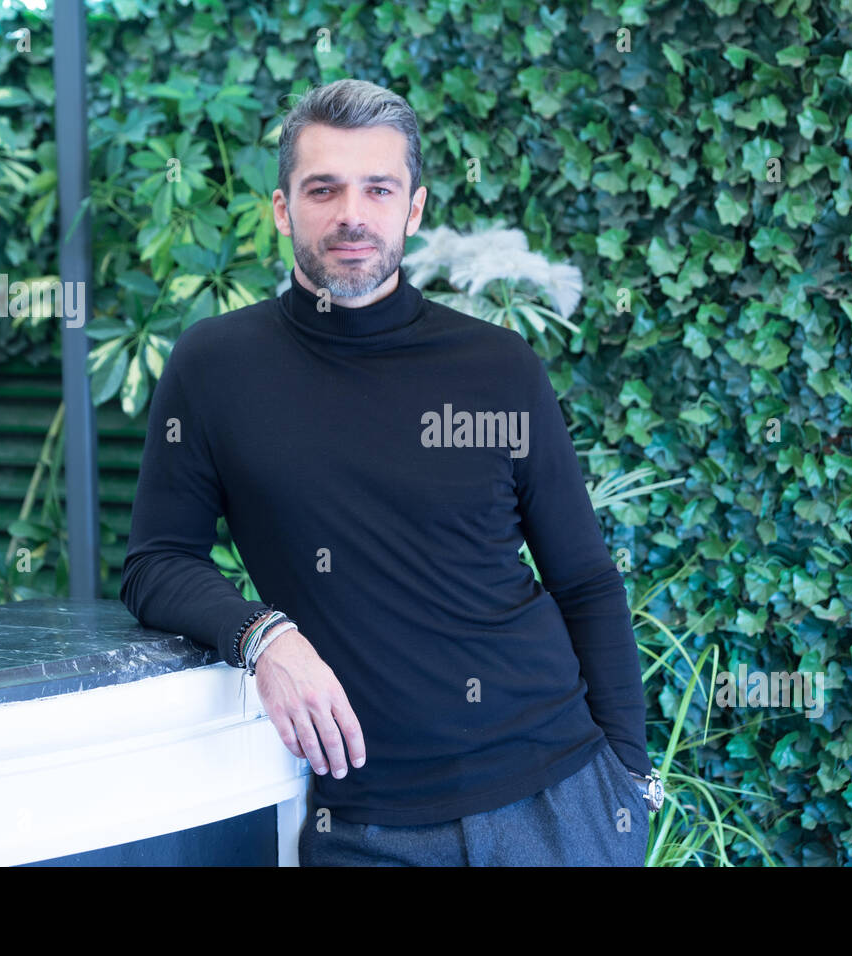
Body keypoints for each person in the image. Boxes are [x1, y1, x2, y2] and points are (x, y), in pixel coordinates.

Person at [120, 78, 661, 866]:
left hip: (560, 798)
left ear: (412, 209)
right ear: (282, 209)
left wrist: (631, 781)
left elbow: (584, 580)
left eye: (378, 188)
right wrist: (264, 636)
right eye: (323, 188)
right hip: (369, 826)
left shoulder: (497, 368)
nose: (351, 214)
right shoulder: (216, 367)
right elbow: (156, 562)